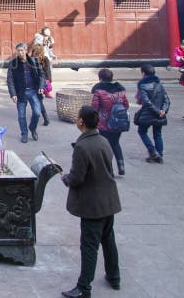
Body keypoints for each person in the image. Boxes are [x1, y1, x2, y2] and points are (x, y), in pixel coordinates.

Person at [60, 105, 122, 298]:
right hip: (109, 200)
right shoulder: (103, 140)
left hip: (92, 205)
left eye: (78, 117)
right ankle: (114, 276)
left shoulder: (82, 146)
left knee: (89, 246)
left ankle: (84, 287)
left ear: (81, 121)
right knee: (108, 240)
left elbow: (77, 178)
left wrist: (65, 178)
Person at [6, 43, 50, 143]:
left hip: (33, 91)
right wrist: (13, 94)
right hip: (20, 92)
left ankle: (32, 128)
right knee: (21, 115)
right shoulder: (13, 63)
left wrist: (41, 86)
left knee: (37, 113)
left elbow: (42, 75)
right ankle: (24, 134)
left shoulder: (34, 61)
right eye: (18, 51)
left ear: (26, 50)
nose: (20, 52)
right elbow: (10, 80)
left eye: (22, 50)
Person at [91, 69, 129, 176]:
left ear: (100, 78)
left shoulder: (98, 91)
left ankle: (110, 170)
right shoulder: (120, 91)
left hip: (104, 123)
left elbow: (94, 108)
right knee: (116, 143)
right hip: (118, 122)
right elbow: (126, 105)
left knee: (106, 146)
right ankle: (121, 166)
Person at [135, 64, 170, 164]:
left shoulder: (142, 85)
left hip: (148, 113)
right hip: (160, 115)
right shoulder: (160, 85)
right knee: (157, 134)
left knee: (142, 132)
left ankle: (153, 152)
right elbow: (166, 100)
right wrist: (163, 110)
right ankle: (159, 154)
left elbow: (146, 102)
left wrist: (157, 111)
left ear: (143, 73)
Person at [29, 33, 53, 98]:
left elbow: (47, 71)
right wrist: (49, 80)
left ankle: (44, 92)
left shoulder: (32, 59)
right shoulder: (43, 59)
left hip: (36, 81)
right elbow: (47, 72)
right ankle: (45, 92)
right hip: (40, 80)